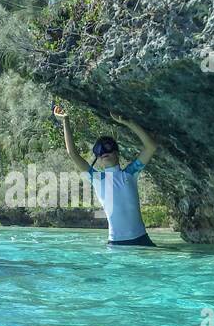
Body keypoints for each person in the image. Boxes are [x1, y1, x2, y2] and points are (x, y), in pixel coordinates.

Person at [57, 103, 157, 247]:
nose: (103, 151)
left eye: (108, 147)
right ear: (97, 157)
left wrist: (128, 122)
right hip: (116, 244)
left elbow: (151, 146)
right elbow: (72, 153)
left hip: (142, 240)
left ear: (117, 152)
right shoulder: (96, 178)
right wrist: (65, 120)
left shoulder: (130, 173)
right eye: (99, 150)